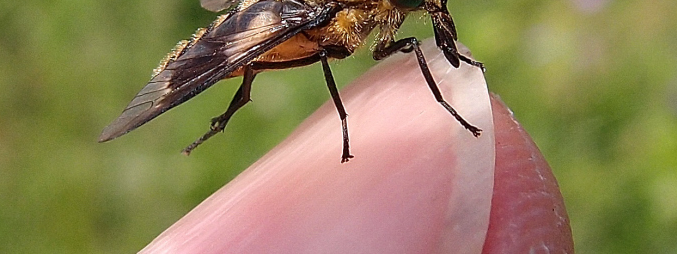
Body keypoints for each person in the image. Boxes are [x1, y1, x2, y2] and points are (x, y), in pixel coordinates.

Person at [140, 40, 574, 253]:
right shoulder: (350, 11)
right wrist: (347, 122)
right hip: (264, 29)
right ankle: (218, 118)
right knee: (254, 55)